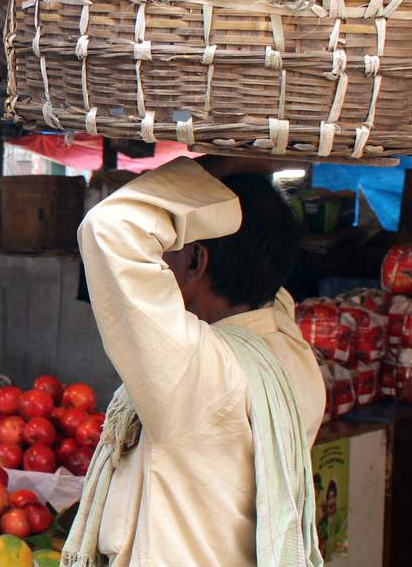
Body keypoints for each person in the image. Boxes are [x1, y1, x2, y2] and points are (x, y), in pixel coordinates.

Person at [64, 157, 326, 567]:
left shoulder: (200, 372)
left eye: (170, 251)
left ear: (194, 262)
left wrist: (212, 165)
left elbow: (109, 228)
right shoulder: (287, 344)